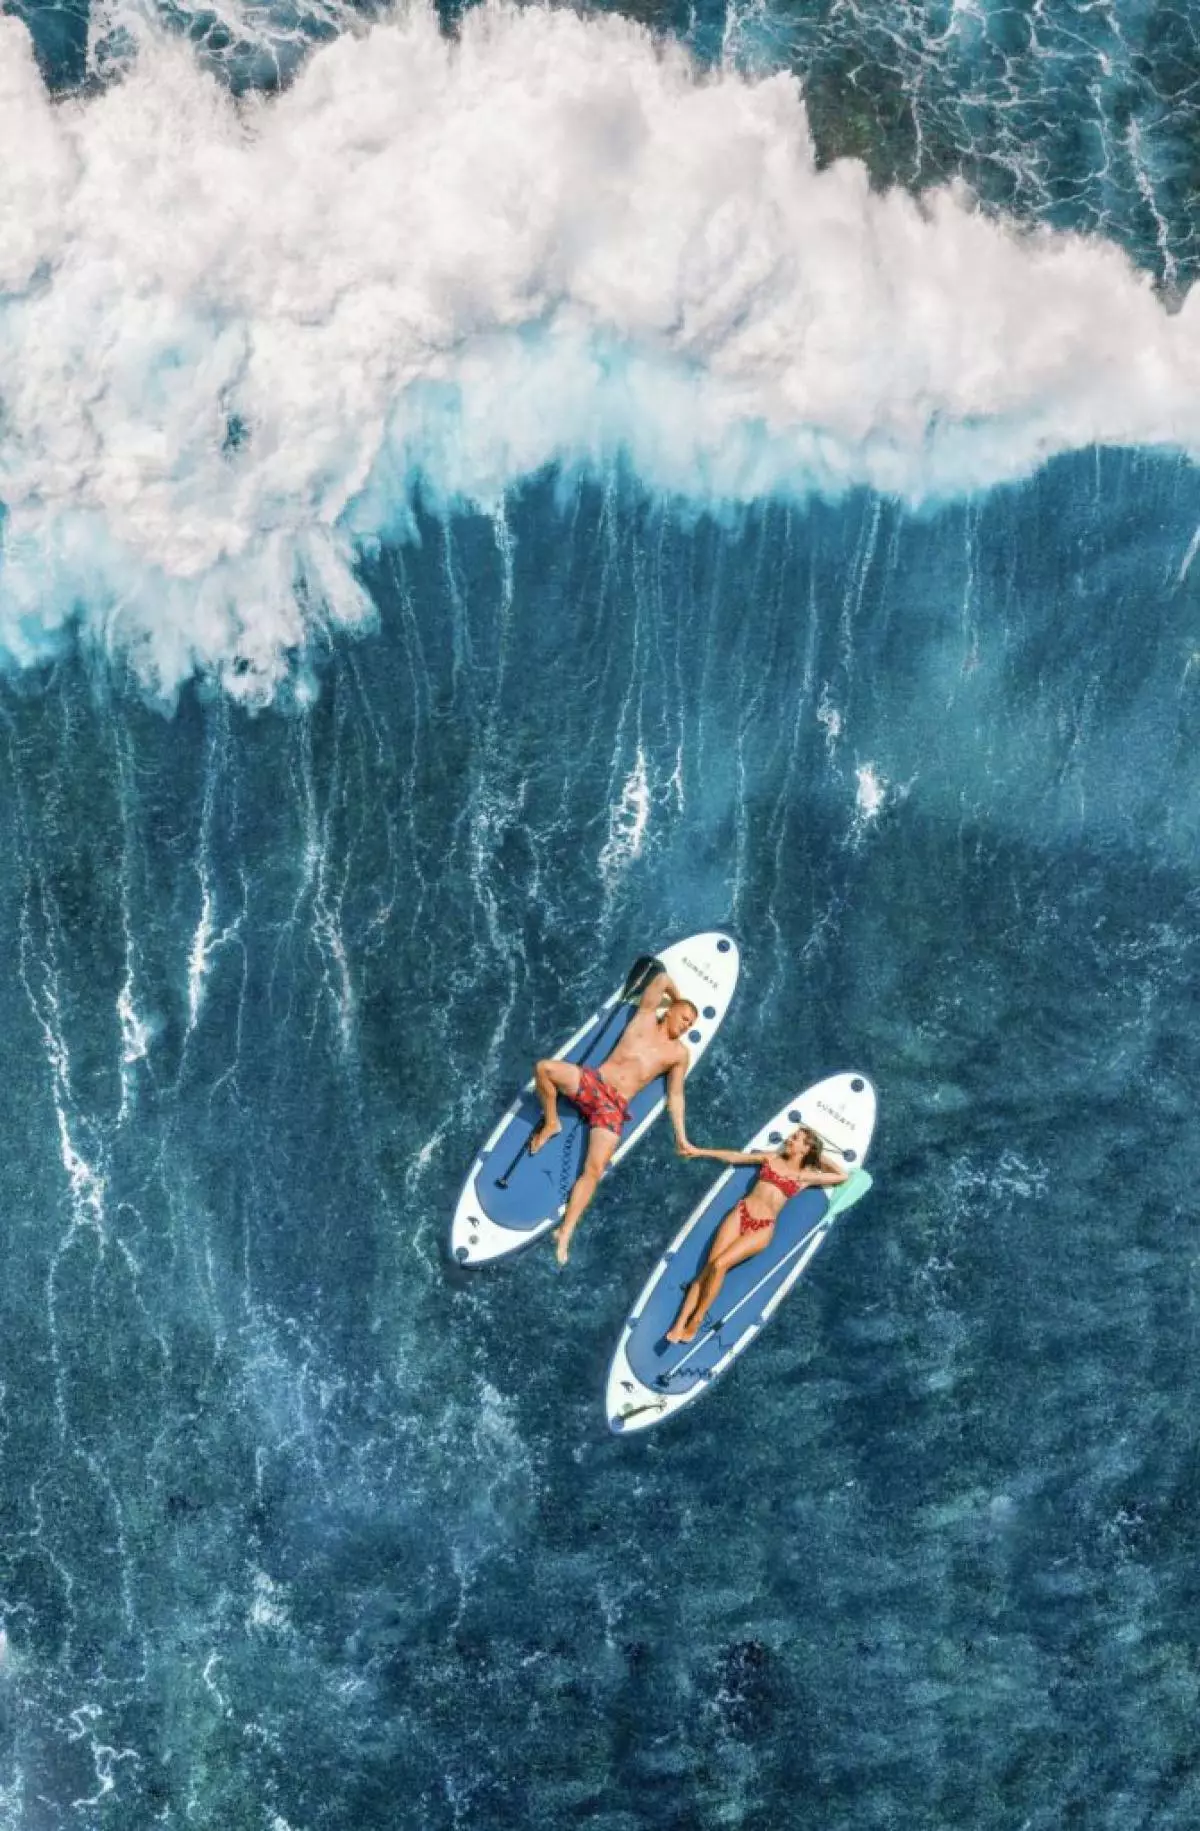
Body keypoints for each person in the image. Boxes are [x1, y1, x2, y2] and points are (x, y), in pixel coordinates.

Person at [529, 968, 698, 1265]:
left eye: (691, 1024)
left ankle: (565, 1231)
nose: (686, 1026)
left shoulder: (678, 1054)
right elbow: (661, 978)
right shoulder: (644, 1017)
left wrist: (681, 1136)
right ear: (670, 1011)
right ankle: (552, 1122)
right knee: (544, 1068)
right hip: (593, 1082)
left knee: (594, 1170)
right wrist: (681, 999)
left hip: (613, 1107)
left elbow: (676, 1095)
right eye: (684, 1018)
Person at [666, 1125, 848, 1342]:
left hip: (762, 1228)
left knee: (720, 1265)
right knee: (707, 1269)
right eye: (791, 1136)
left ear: (806, 1148)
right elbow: (736, 1156)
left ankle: (696, 1320)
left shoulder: (804, 1176)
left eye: (796, 1138)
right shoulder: (772, 1158)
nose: (788, 1139)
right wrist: (700, 1152)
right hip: (740, 1214)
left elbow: (841, 1175)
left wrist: (817, 1154)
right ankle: (679, 1326)